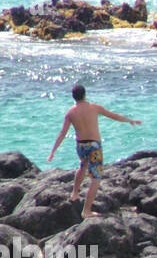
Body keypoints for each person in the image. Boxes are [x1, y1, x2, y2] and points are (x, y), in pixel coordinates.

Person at [47, 83, 141, 218]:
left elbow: (62, 133)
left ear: (73, 97)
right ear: (85, 94)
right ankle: (86, 210)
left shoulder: (70, 112)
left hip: (80, 146)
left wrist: (52, 151)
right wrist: (129, 120)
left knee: (83, 165)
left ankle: (74, 193)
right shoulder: (94, 107)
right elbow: (113, 115)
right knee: (96, 178)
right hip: (94, 146)